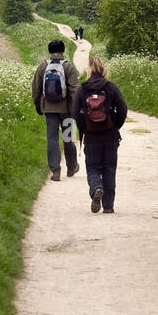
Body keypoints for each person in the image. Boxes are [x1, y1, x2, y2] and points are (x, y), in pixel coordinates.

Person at [73, 55, 128, 213]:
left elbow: (75, 113)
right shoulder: (111, 87)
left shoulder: (82, 90)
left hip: (91, 137)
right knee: (109, 168)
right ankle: (108, 206)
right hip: (110, 136)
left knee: (92, 168)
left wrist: (84, 128)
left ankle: (96, 187)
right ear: (103, 69)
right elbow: (123, 109)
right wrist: (115, 125)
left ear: (89, 70)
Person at [31, 39, 80, 181]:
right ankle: (72, 166)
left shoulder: (43, 66)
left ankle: (55, 171)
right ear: (63, 51)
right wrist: (76, 108)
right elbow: (74, 90)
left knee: (52, 139)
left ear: (50, 51)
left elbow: (36, 88)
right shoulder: (68, 67)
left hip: (49, 108)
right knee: (68, 137)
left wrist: (37, 105)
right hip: (67, 110)